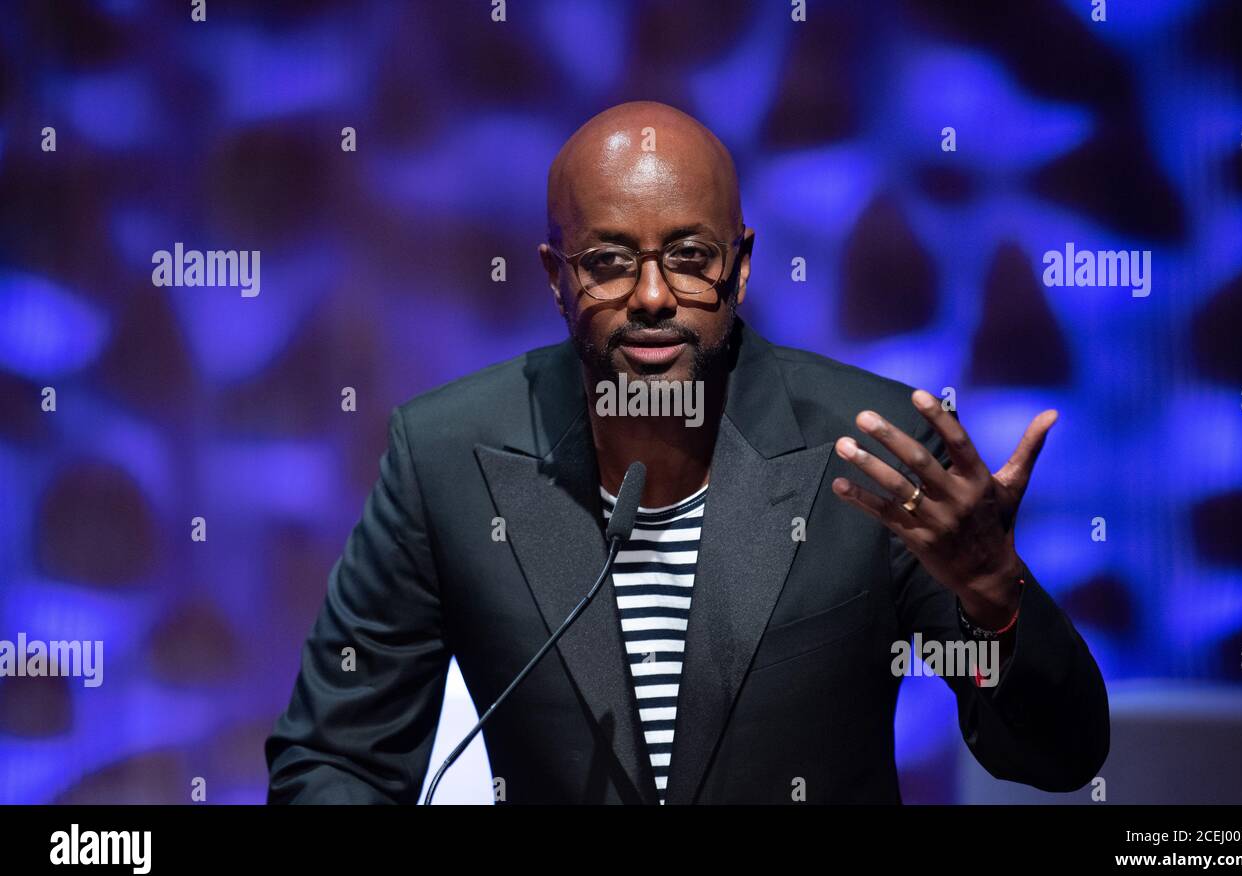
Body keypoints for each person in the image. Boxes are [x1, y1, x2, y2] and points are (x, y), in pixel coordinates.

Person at [265, 101, 1108, 804]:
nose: (655, 296)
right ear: (555, 278)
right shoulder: (446, 457)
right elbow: (334, 759)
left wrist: (997, 602)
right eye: (608, 263)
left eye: (690, 257)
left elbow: (1058, 757)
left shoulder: (873, 447)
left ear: (740, 268)